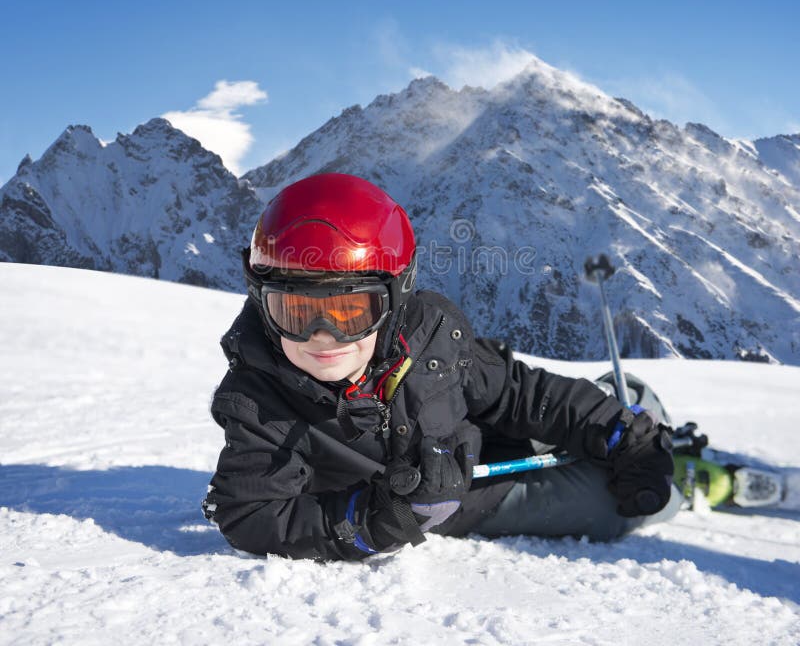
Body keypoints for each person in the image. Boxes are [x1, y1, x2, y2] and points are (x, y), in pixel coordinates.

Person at [202, 173, 678, 560]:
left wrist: (620, 431)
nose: (322, 336)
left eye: (351, 312)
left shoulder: (431, 337)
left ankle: (643, 429)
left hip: (483, 443)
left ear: (393, 301)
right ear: (262, 307)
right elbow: (251, 513)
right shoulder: (260, 399)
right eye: (296, 313)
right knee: (613, 507)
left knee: (622, 406)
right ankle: (674, 477)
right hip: (461, 499)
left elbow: (518, 393)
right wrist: (378, 520)